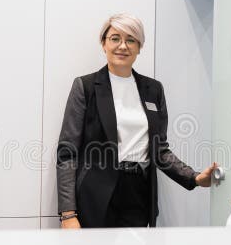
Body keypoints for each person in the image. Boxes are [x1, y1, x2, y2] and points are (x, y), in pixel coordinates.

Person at [57, 13, 216, 229]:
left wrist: (194, 178)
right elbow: (67, 153)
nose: (123, 46)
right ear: (104, 44)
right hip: (95, 196)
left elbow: (160, 151)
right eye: (115, 38)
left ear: (139, 47)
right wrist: (68, 213)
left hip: (139, 193)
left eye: (131, 40)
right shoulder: (85, 87)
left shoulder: (153, 90)